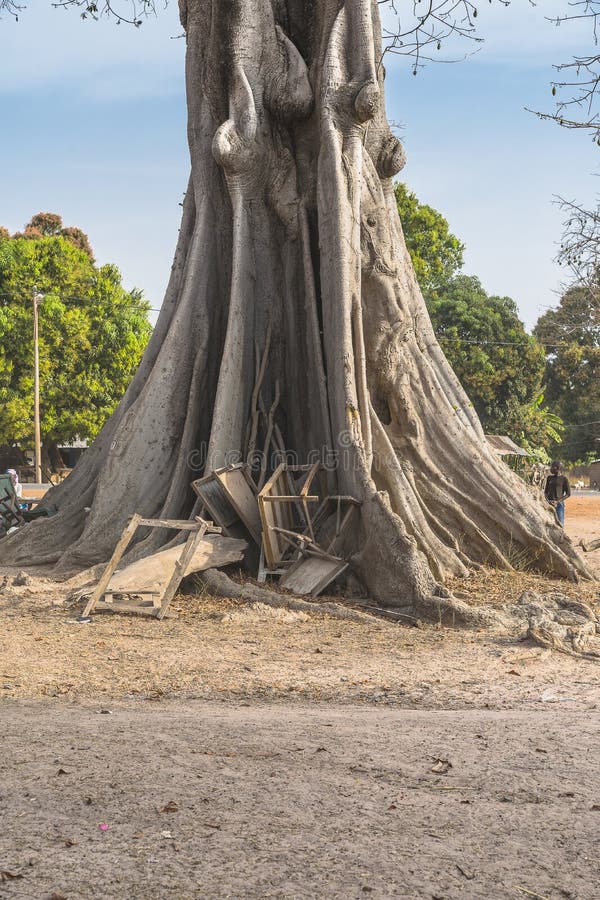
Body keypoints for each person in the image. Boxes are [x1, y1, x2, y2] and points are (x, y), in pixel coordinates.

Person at [544, 461, 571, 527]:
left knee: (560, 523)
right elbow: (545, 492)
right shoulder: (549, 478)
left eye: (552, 467)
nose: (551, 468)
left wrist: (557, 502)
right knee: (548, 523)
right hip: (549, 504)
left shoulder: (564, 479)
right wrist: (548, 501)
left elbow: (568, 494)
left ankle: (560, 536)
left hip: (559, 504)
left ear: (558, 468)